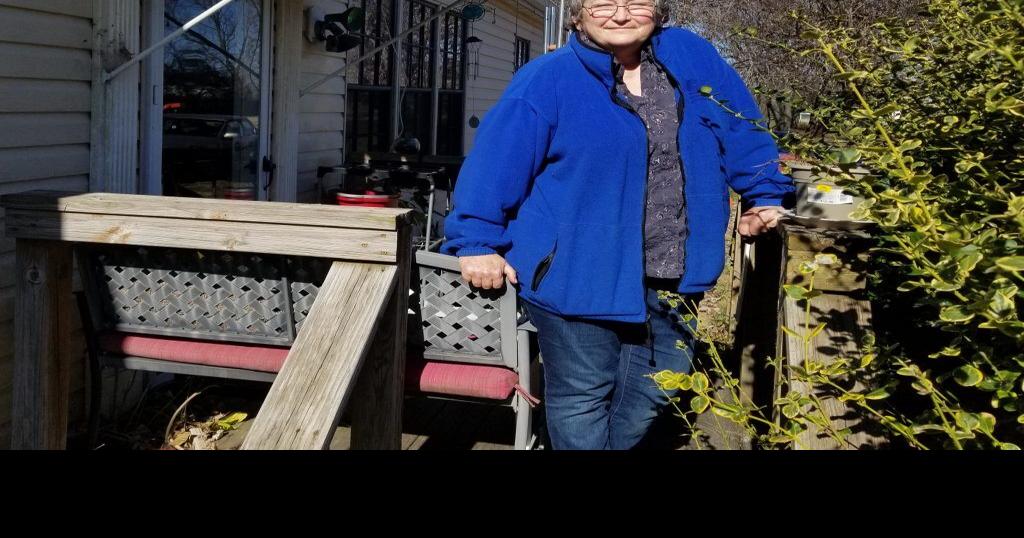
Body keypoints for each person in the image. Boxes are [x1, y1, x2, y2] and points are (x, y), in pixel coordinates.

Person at [442, 0, 794, 449]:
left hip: (674, 264)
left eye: (636, 3)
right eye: (604, 3)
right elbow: (495, 163)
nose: (621, 14)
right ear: (578, 12)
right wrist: (475, 239)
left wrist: (765, 195)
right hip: (575, 270)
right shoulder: (549, 77)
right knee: (581, 395)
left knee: (658, 385)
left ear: (658, 9)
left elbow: (742, 129)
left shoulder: (690, 55)